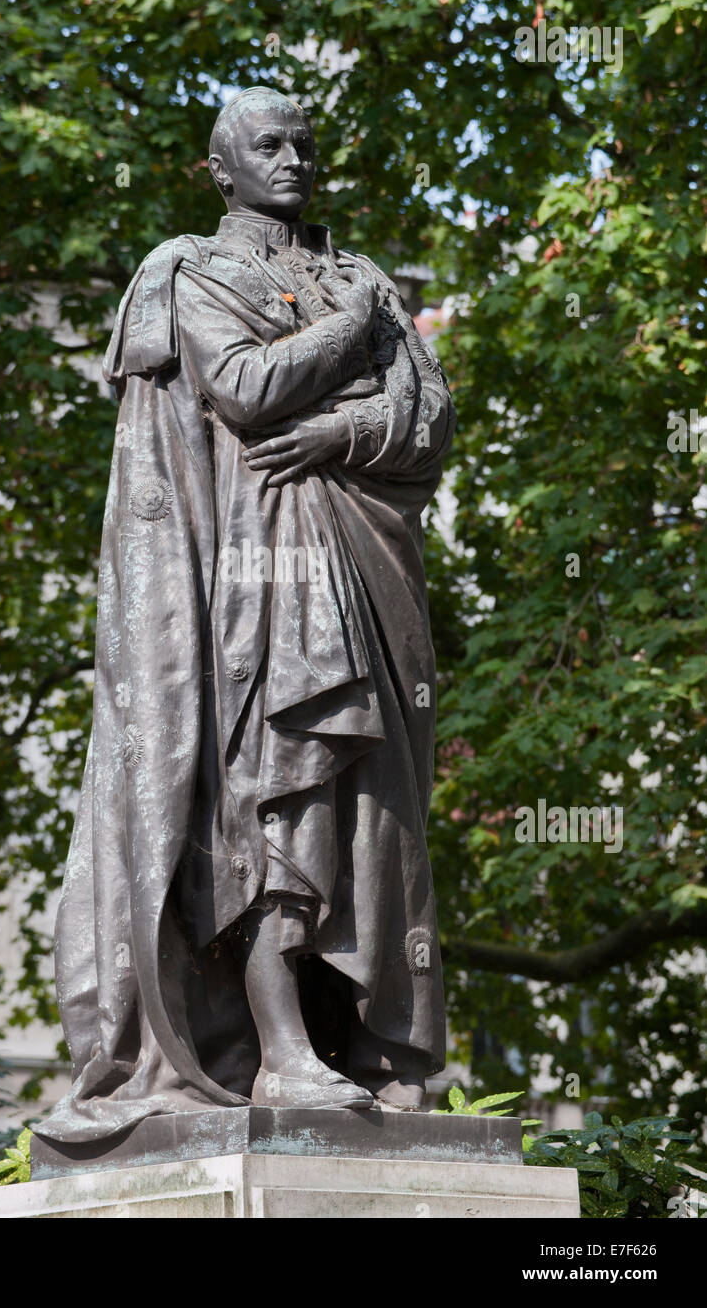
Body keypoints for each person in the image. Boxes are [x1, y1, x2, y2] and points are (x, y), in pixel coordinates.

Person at [36, 87, 455, 1145]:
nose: (293, 159)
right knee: (278, 792)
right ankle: (280, 1056)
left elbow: (426, 416)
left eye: (305, 142)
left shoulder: (353, 274)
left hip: (370, 574)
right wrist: (359, 329)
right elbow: (242, 384)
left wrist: (343, 432)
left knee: (375, 813)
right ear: (221, 170)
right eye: (266, 144)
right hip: (261, 570)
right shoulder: (193, 269)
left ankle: (378, 1048)